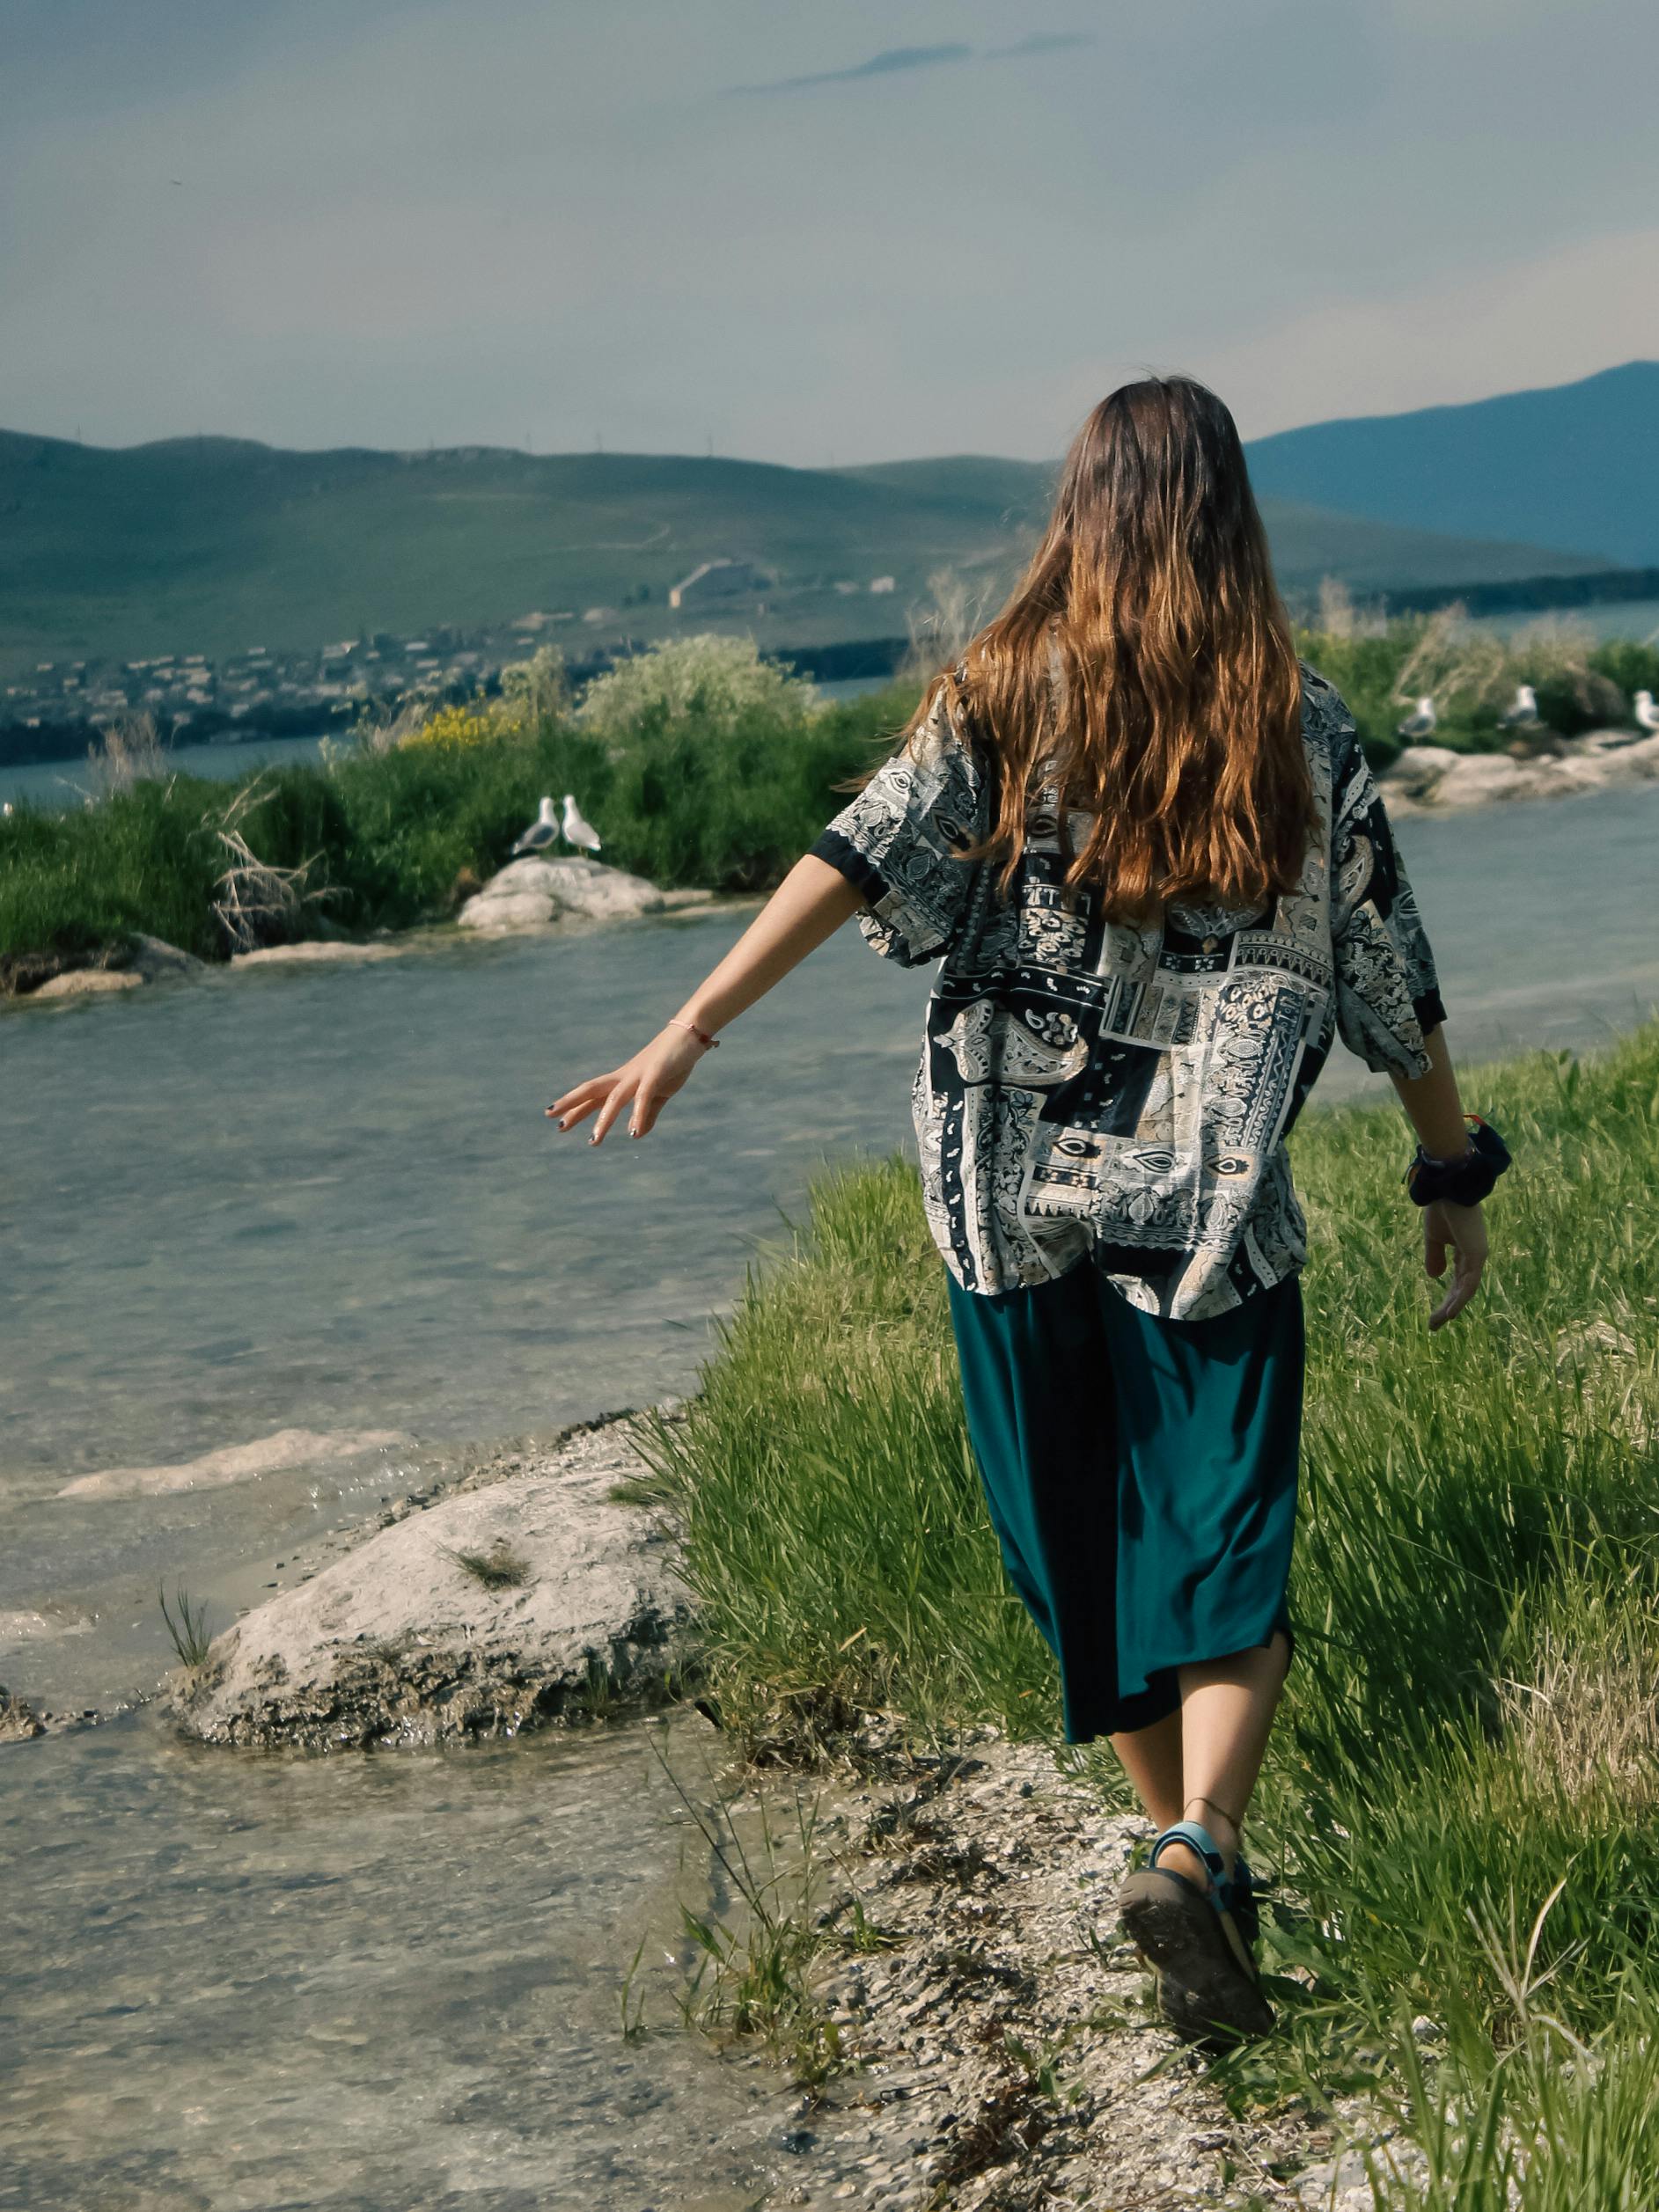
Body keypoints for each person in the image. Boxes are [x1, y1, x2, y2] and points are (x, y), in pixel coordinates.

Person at [547, 375, 1509, 2048]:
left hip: (1005, 1189)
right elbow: (1385, 967)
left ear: (1085, 508)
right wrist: (1447, 1168)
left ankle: (1181, 1862)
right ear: (1227, 516)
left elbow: (855, 855)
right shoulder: (1296, 718)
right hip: (1203, 1206)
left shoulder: (1000, 690)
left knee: (1078, 1536)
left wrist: (689, 1026)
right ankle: (1201, 1845)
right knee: (1218, 1531)